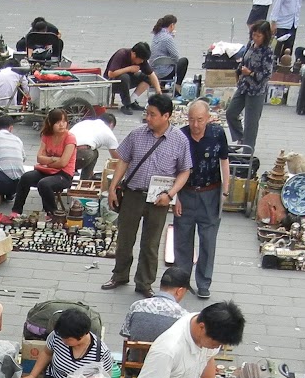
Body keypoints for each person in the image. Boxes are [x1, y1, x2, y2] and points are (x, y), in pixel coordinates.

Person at [102, 93, 193, 296]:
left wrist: (170, 195)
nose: (148, 118)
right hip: (133, 194)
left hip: (159, 199)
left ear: (166, 116)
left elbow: (185, 171)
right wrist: (112, 188)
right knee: (125, 238)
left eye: (153, 114)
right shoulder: (137, 134)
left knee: (151, 244)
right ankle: (119, 275)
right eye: (147, 113)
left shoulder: (179, 140)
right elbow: (123, 160)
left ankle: (144, 283)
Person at [172, 100, 229, 300]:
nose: (195, 125)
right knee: (182, 240)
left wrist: (226, 191)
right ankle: (182, 280)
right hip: (185, 192)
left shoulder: (217, 133)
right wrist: (175, 197)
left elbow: (224, 160)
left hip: (210, 193)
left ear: (208, 118)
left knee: (208, 241)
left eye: (200, 120)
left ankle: (204, 283)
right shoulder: (180, 136)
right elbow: (174, 168)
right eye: (192, 120)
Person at [13, 108, 76, 217]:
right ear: (51, 123)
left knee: (44, 184)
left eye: (64, 121)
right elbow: (39, 158)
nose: (61, 125)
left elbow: (63, 163)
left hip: (63, 174)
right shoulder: (47, 135)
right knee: (26, 177)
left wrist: (47, 161)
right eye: (57, 122)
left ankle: (52, 213)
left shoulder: (70, 138)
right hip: (46, 171)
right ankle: (16, 211)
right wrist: (52, 159)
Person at [226, 20, 275, 151]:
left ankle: (247, 152)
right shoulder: (250, 45)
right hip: (243, 86)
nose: (256, 38)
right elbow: (243, 61)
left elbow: (267, 75)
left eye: (259, 36)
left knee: (251, 123)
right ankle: (240, 137)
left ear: (265, 36)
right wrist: (239, 72)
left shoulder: (268, 52)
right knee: (231, 112)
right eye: (254, 35)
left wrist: (251, 73)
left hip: (256, 90)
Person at [120, 265, 191, 343]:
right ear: (179, 291)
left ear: (161, 285)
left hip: (136, 355)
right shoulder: (183, 317)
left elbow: (126, 334)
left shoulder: (137, 306)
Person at [105, 41, 159, 112]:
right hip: (112, 83)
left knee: (147, 77)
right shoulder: (121, 54)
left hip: (127, 82)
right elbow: (110, 74)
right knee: (124, 77)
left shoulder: (142, 60)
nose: (142, 62)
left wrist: (158, 90)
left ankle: (132, 101)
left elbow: (151, 74)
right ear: (134, 54)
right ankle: (126, 105)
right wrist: (129, 68)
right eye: (141, 59)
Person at [71, 112, 117, 181]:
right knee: (94, 153)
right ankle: (85, 180)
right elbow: (117, 158)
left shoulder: (86, 122)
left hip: (64, 152)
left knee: (92, 150)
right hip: (79, 154)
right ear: (111, 124)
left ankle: (86, 175)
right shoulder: (108, 132)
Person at [148, 15, 187, 92]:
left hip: (153, 71)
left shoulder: (156, 34)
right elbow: (175, 56)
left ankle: (161, 84)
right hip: (164, 72)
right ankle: (177, 85)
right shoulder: (168, 38)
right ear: (172, 25)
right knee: (184, 61)